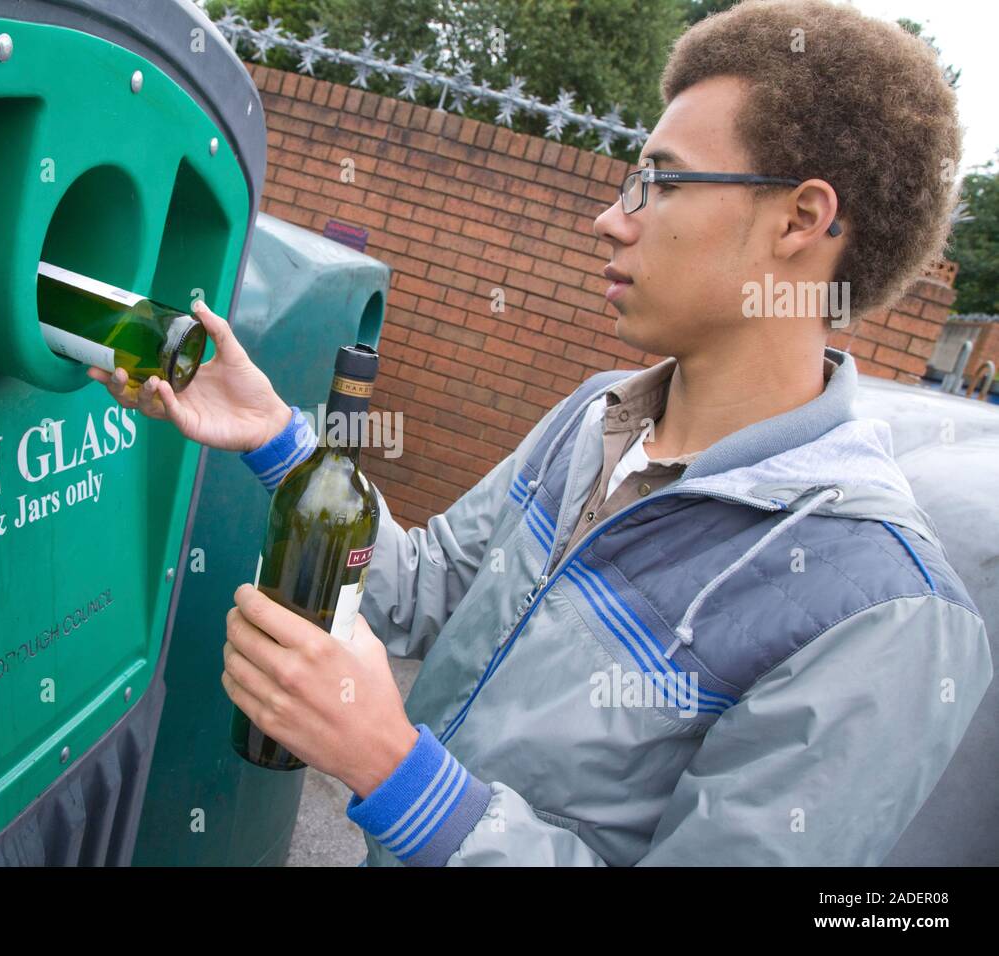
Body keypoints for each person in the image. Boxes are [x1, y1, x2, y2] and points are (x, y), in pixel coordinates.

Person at [89, 0, 992, 865]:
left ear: (801, 220)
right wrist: (276, 437)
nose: (611, 216)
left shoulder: (887, 612)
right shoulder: (597, 414)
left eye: (659, 180)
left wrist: (394, 771)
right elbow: (419, 589)